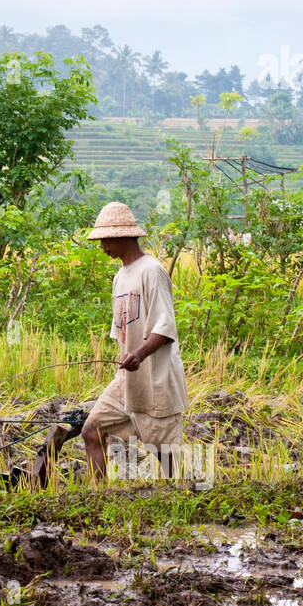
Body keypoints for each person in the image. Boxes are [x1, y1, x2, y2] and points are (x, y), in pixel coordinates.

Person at [79, 201, 189, 482]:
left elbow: (165, 329)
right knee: (92, 430)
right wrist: (127, 360)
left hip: (156, 380)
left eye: (105, 239)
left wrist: (139, 354)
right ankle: (98, 498)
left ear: (122, 236)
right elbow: (123, 333)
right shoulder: (119, 277)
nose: (102, 246)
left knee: (165, 455)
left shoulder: (152, 271)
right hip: (127, 380)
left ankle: (178, 500)